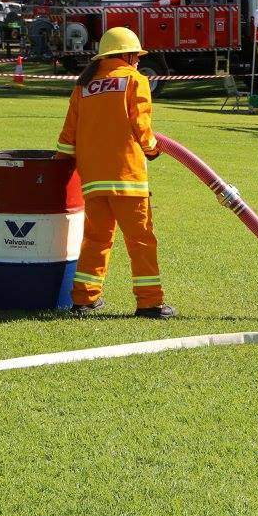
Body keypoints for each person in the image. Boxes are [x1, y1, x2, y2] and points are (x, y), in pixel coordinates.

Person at [55, 26, 175, 319]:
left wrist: (60, 165)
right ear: (130, 55)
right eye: (136, 56)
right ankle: (149, 303)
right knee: (141, 241)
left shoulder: (83, 86)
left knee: (96, 240)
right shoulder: (135, 80)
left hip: (93, 180)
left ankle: (84, 300)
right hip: (128, 179)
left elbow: (67, 136)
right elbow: (142, 125)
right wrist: (151, 149)